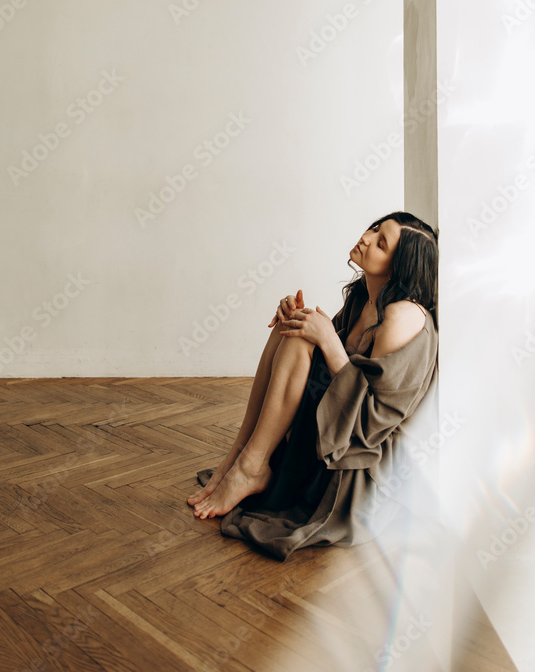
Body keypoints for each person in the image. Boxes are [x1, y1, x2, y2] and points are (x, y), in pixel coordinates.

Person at [186, 210, 439, 561]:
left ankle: (251, 468)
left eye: (381, 243)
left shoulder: (403, 316)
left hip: (361, 461)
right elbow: (320, 361)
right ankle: (239, 459)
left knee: (300, 336)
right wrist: (298, 318)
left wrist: (327, 340)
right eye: (374, 228)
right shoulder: (365, 297)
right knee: (291, 326)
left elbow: (373, 423)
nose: (366, 237)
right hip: (335, 432)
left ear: (399, 267)